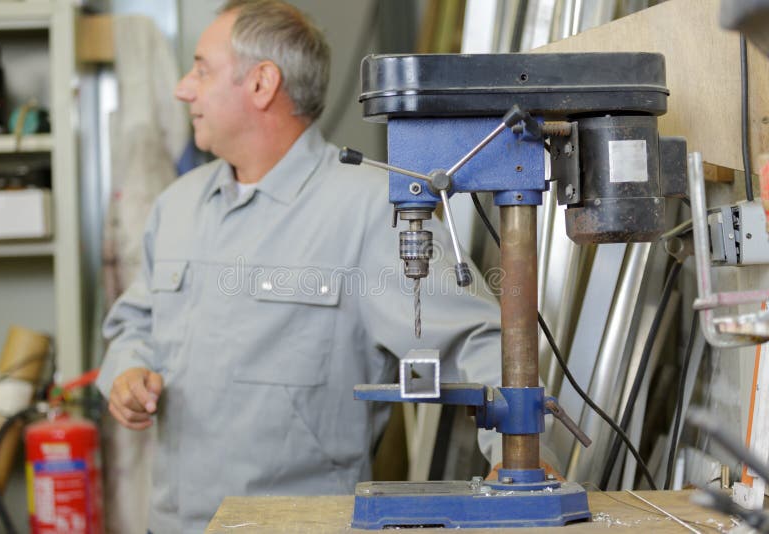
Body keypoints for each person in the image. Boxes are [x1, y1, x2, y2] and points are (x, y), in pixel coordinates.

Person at [96, 1, 505, 531]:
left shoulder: (371, 211)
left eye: (202, 69)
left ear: (262, 83)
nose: (183, 88)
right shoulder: (176, 207)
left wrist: (517, 454)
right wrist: (127, 370)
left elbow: (477, 339)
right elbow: (134, 323)